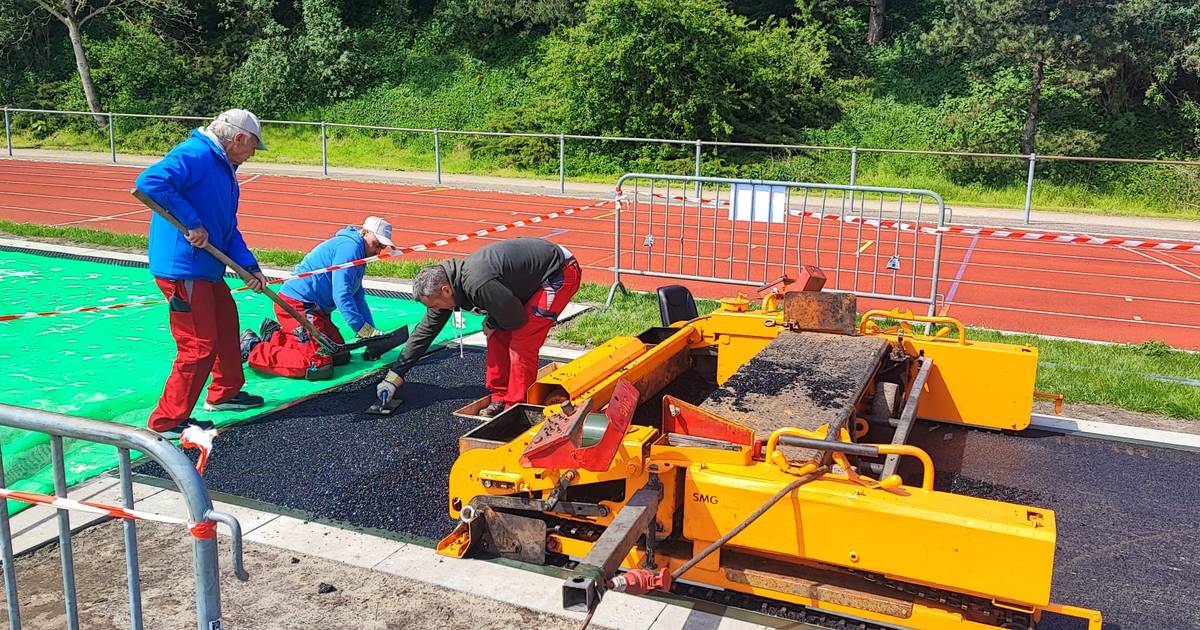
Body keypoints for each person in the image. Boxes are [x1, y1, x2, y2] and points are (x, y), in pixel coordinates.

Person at [135, 108, 270, 438]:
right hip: (184, 269)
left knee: (226, 325)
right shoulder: (195, 154)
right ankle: (167, 421)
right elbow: (149, 182)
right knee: (198, 344)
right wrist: (191, 222)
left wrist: (249, 267)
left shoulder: (225, 168)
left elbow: (227, 228)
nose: (253, 153)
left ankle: (224, 392)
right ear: (238, 138)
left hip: (207, 269)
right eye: (253, 145)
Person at [375, 238, 582, 417]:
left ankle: (516, 405)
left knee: (522, 340)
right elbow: (424, 332)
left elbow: (516, 317)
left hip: (559, 272)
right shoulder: (446, 288)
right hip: (526, 280)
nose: (435, 310)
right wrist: (394, 377)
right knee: (496, 334)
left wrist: (492, 321)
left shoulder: (478, 283)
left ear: (446, 290)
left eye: (435, 305)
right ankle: (500, 395)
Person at [241, 217, 395, 380]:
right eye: (376, 244)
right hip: (297, 305)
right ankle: (253, 348)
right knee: (318, 366)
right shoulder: (350, 248)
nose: (377, 252)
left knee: (340, 355)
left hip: (315, 310)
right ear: (364, 233)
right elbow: (341, 294)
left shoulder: (360, 253)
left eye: (382, 247)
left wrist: (370, 332)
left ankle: (275, 337)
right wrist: (362, 329)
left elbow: (357, 295)